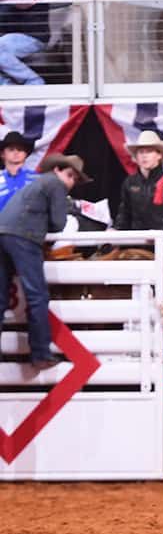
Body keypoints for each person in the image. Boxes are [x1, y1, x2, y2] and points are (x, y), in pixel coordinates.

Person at [0, 154, 90, 369]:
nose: (70, 182)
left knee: (0, 298)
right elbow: (59, 223)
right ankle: (40, 352)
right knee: (37, 295)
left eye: (74, 179)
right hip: (24, 237)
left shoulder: (36, 185)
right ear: (57, 170)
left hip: (2, 233)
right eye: (69, 175)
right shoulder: (55, 185)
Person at [114, 131, 163, 232]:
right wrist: (116, 232)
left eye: (149, 151)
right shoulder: (130, 182)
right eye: (141, 152)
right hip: (137, 239)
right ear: (136, 157)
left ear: (159, 155)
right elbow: (124, 213)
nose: (144, 156)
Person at [0, 131, 37, 212]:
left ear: (25, 154)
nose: (16, 152)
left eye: (20, 149)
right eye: (11, 149)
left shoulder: (38, 179)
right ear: (2, 154)